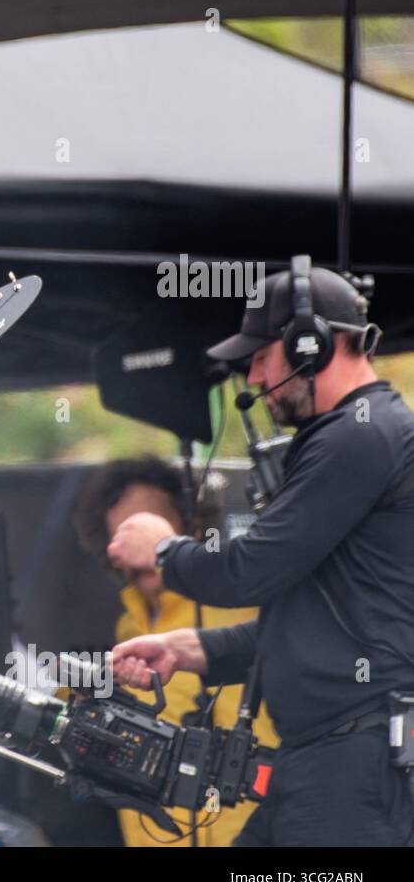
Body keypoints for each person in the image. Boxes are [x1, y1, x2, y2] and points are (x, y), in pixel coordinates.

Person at [108, 263, 414, 846]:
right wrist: (192, 648)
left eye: (260, 357)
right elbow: (309, 617)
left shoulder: (360, 435)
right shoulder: (350, 435)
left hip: (353, 767)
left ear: (310, 344)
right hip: (327, 761)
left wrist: (164, 549)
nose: (252, 376)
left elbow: (247, 572)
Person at [73, 456, 278, 846]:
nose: (136, 540)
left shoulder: (241, 611)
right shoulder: (128, 628)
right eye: (125, 530)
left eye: (149, 525)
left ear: (191, 524)